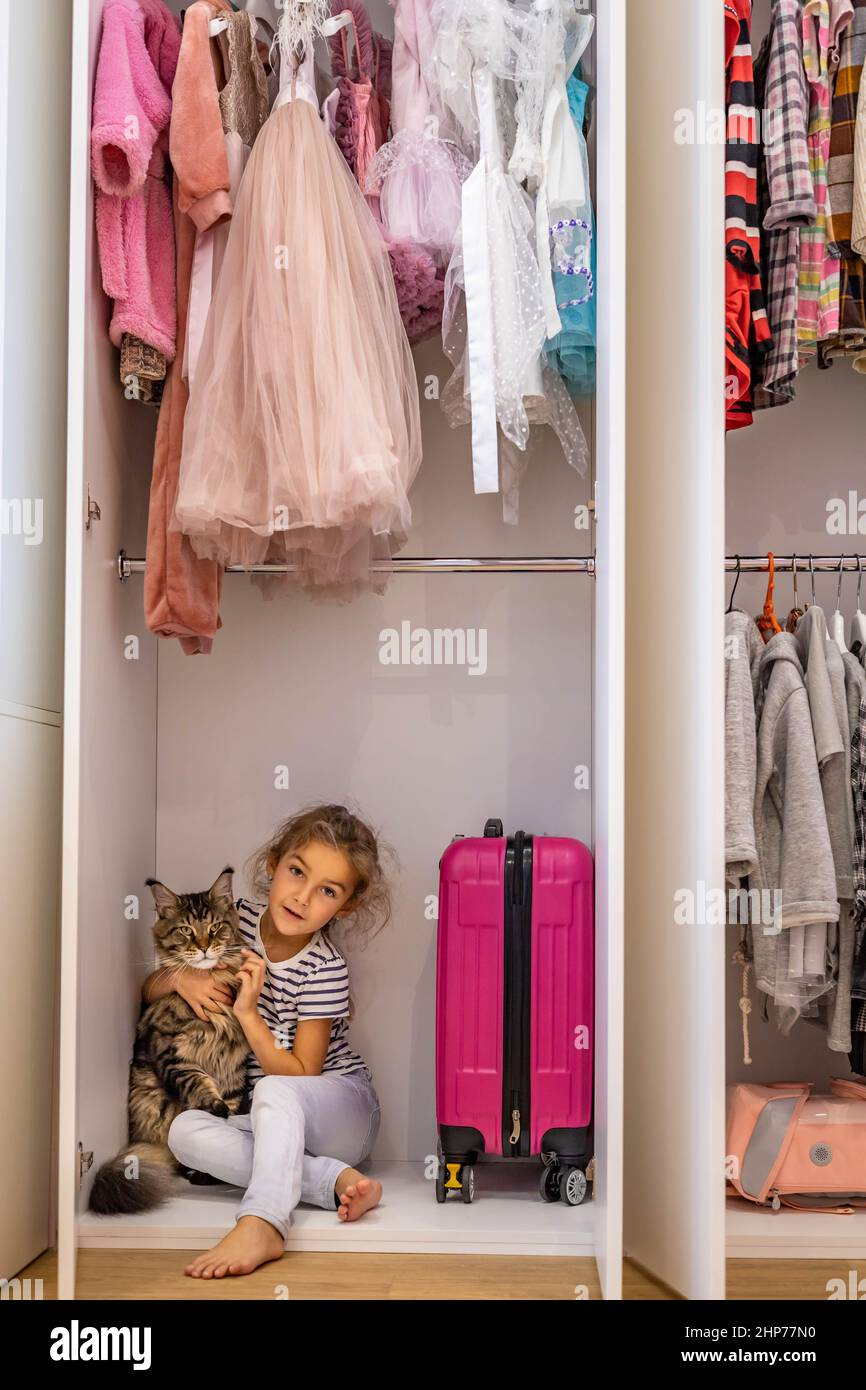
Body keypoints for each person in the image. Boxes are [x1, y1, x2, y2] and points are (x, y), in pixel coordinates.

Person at [143, 803, 389, 1278]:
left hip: (342, 1109)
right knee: (184, 1131)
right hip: (273, 1124)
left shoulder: (324, 968)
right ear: (274, 864)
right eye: (297, 872)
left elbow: (301, 1076)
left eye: (327, 891)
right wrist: (180, 982)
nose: (302, 897)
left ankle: (264, 1221)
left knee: (274, 1090)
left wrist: (248, 1013)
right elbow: (148, 989)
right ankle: (333, 1181)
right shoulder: (232, 921)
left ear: (346, 905)